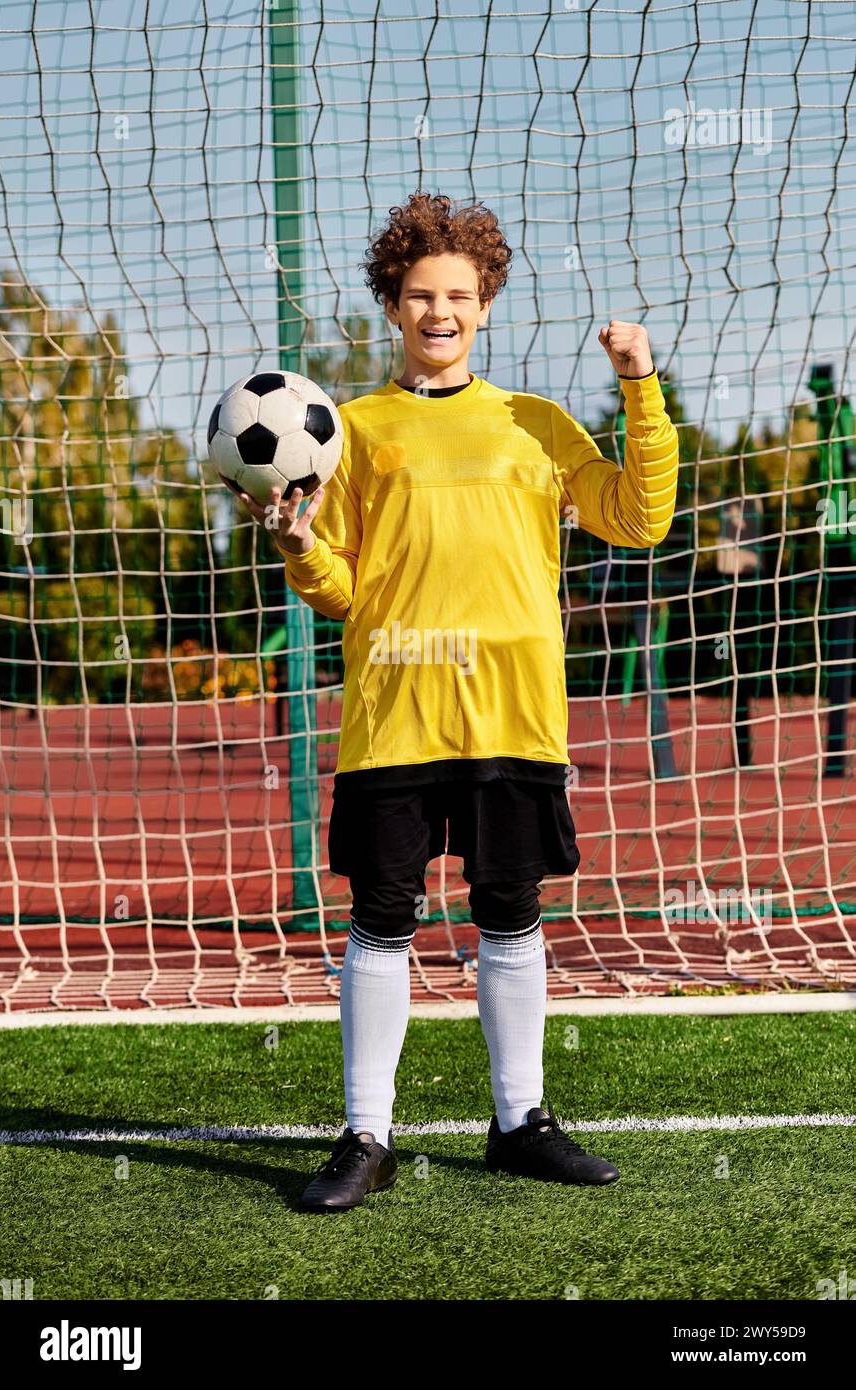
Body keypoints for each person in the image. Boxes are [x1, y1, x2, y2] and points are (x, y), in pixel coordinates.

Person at [241, 191, 679, 1212]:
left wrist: (638, 386)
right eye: (419, 294)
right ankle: (365, 1135)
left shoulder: (535, 422)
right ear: (391, 303)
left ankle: (518, 1119)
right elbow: (345, 589)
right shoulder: (348, 432)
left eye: (459, 294)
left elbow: (639, 517)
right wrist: (303, 554)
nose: (439, 310)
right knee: (380, 916)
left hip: (511, 714)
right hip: (394, 714)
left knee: (508, 913)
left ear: (485, 303)